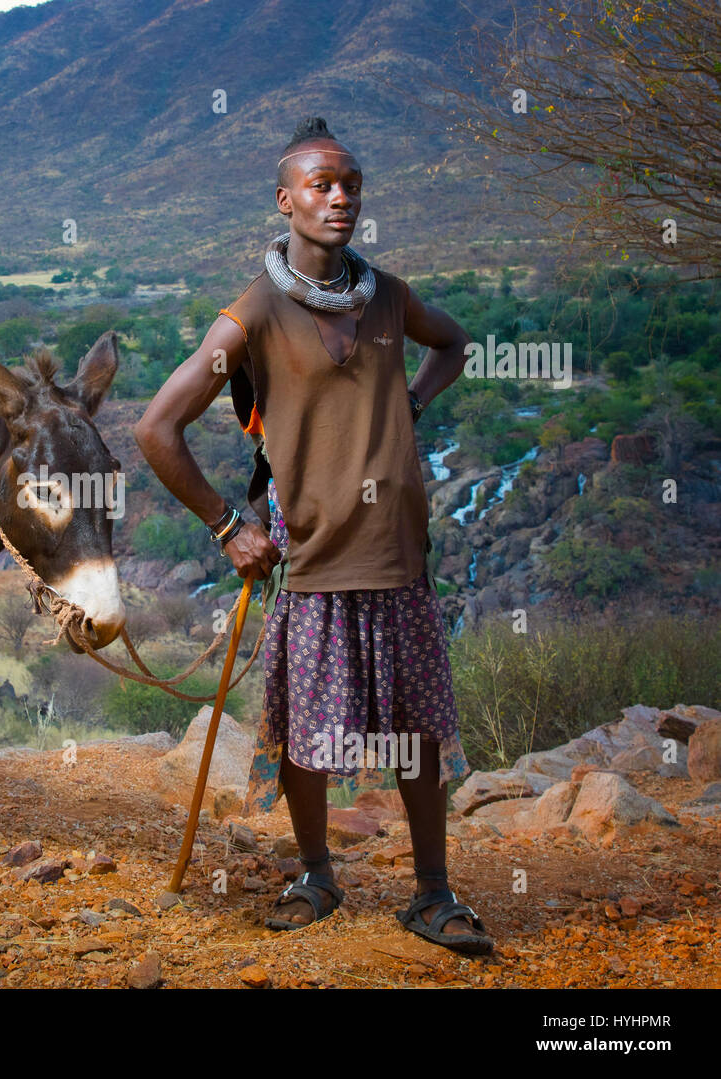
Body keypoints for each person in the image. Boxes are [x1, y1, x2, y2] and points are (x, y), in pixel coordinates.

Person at [133, 116, 492, 954]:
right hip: (316, 558)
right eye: (323, 184)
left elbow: (456, 344)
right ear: (285, 199)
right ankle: (314, 873)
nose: (341, 196)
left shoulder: (392, 298)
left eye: (351, 183)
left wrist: (408, 403)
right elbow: (157, 427)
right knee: (303, 735)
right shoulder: (255, 312)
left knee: (418, 732)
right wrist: (228, 526)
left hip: (399, 556)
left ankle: (433, 893)